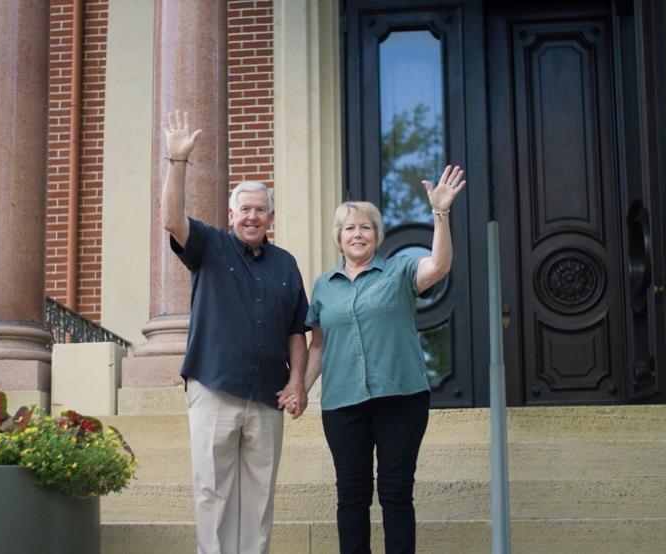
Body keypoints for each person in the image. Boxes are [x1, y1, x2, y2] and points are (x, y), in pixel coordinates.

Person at [281, 165, 466, 553]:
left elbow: (439, 266)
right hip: (343, 404)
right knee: (351, 495)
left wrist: (441, 214)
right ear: (338, 238)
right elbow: (319, 344)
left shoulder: (398, 271)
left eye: (366, 227)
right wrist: (300, 388)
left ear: (377, 236)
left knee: (397, 492)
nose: (358, 234)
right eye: (350, 228)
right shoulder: (323, 286)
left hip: (401, 398)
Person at [161, 110, 310, 554]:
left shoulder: (286, 264)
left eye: (260, 209)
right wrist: (177, 163)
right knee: (212, 490)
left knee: (259, 497)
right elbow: (172, 221)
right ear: (231, 213)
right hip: (215, 386)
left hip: (267, 394)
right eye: (244, 208)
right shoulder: (209, 245)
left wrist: (298, 380)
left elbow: (297, 331)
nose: (252, 216)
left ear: (271, 216)